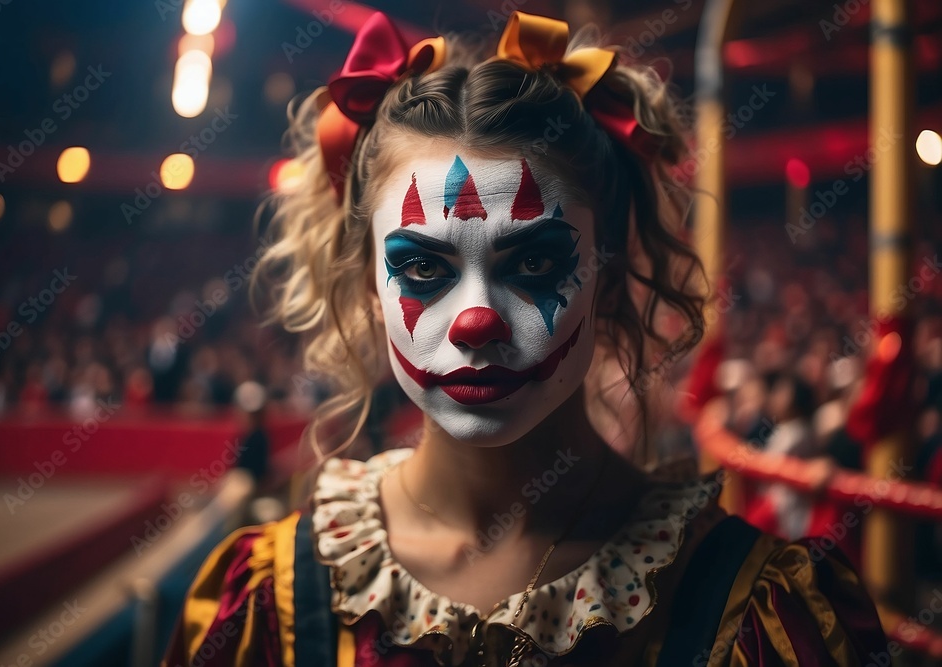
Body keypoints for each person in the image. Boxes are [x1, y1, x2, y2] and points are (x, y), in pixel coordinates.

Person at [163, 11, 887, 667]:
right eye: (423, 267)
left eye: (534, 263)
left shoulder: (749, 610)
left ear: (608, 283)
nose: (477, 320)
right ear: (367, 292)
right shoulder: (272, 601)